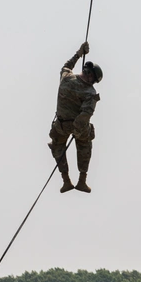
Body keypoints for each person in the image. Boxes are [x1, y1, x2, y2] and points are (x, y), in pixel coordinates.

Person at [50, 41, 102, 193]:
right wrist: (78, 130)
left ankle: (66, 181)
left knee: (57, 145)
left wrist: (79, 53)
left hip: (60, 125)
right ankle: (82, 181)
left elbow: (67, 66)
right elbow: (86, 114)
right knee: (85, 143)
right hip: (76, 126)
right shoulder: (90, 92)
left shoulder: (66, 77)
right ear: (91, 78)